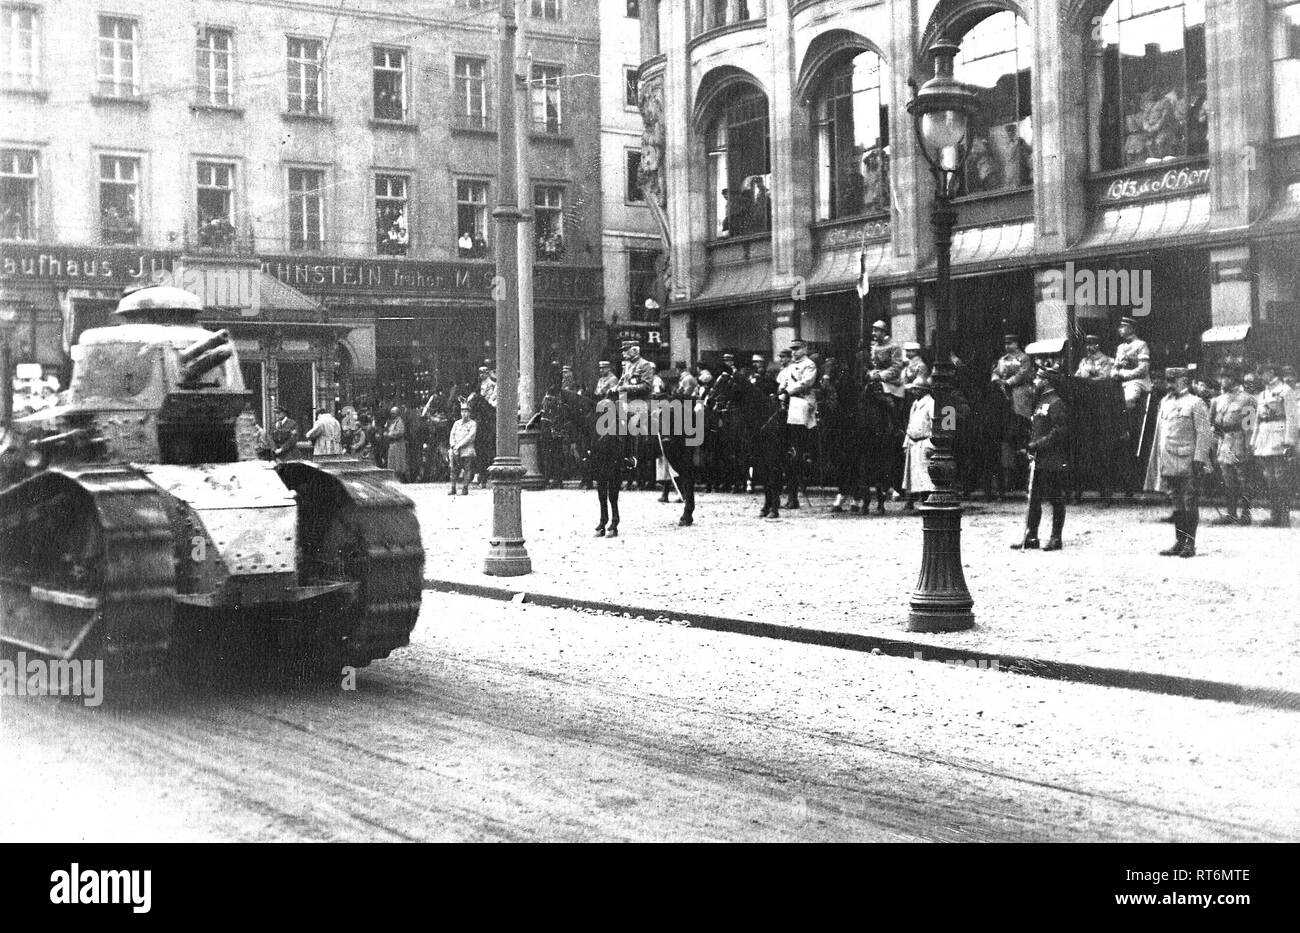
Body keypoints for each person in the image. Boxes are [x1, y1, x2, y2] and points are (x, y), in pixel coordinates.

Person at [1148, 367, 1213, 557]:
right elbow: (1161, 434)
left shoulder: (1196, 403)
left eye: (1173, 380)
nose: (1169, 385)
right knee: (1176, 502)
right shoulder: (1165, 402)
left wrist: (1200, 458)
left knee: (1189, 501)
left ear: (1184, 380)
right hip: (1169, 459)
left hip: (1188, 460)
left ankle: (1190, 544)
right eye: (1168, 380)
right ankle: (1179, 541)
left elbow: (1204, 433)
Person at [1012, 358, 1071, 551]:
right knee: (1034, 498)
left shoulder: (1056, 403)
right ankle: (1031, 536)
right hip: (1038, 458)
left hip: (1053, 458)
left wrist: (1037, 444)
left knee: (1055, 498)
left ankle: (1056, 538)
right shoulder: (1039, 402)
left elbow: (1060, 432)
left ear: (1045, 381)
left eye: (1037, 378)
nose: (1034, 382)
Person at [1251, 361, 1299, 528]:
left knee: (1281, 478)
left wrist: (1289, 441)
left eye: (1263, 372)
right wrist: (1254, 440)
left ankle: (1284, 516)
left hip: (1279, 437)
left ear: (1271, 372)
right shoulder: (1263, 394)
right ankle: (1274, 515)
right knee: (1269, 478)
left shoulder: (1286, 391)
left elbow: (1292, 418)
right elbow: (1257, 418)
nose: (1261, 376)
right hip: (1265, 438)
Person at [1210, 364, 1257, 526]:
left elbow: (1249, 426)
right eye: (1221, 377)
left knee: (1243, 478)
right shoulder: (1218, 399)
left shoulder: (1247, 398)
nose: (1222, 381)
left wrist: (1249, 446)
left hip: (1240, 440)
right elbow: (1213, 424)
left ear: (1234, 379)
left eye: (1226, 378)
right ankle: (1231, 513)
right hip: (1224, 441)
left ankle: (1245, 513)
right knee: (1227, 478)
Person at [777, 339, 818, 509]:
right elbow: (783, 382)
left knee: (795, 451)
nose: (794, 352)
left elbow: (805, 383)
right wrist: (781, 390)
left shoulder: (809, 365)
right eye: (792, 349)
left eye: (797, 349)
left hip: (802, 401)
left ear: (805, 349)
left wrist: (787, 391)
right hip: (788, 402)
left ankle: (800, 449)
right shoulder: (789, 367)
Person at [900, 375, 935, 508]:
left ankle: (925, 501)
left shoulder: (931, 404)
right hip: (913, 442)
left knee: (924, 474)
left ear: (922, 390)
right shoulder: (915, 404)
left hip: (924, 441)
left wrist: (931, 445)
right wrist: (906, 443)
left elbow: (933, 425)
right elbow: (910, 424)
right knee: (913, 474)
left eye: (916, 389)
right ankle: (912, 501)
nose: (913, 392)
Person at [865, 320, 905, 415]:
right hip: (877, 380)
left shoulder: (894, 346)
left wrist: (881, 376)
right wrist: (872, 373)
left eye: (876, 331)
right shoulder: (874, 347)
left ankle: (896, 425)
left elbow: (896, 367)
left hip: (892, 382)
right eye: (873, 330)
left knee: (889, 405)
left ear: (883, 332)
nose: (873, 333)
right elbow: (874, 365)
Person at [448, 404, 476, 495]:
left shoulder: (472, 424)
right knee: (453, 469)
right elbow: (452, 434)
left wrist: (459, 445)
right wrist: (453, 445)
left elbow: (470, 437)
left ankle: (465, 487)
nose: (464, 414)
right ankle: (453, 487)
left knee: (467, 468)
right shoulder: (456, 423)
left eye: (466, 412)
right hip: (455, 449)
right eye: (462, 411)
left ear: (469, 413)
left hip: (467, 449)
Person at [385, 406, 409, 482]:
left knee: (398, 462)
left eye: (394, 413)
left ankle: (401, 479)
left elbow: (400, 432)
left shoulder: (400, 422)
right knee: (391, 462)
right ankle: (393, 478)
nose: (392, 415)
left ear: (397, 413)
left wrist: (390, 434)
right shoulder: (392, 422)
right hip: (392, 444)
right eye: (391, 413)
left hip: (398, 444)